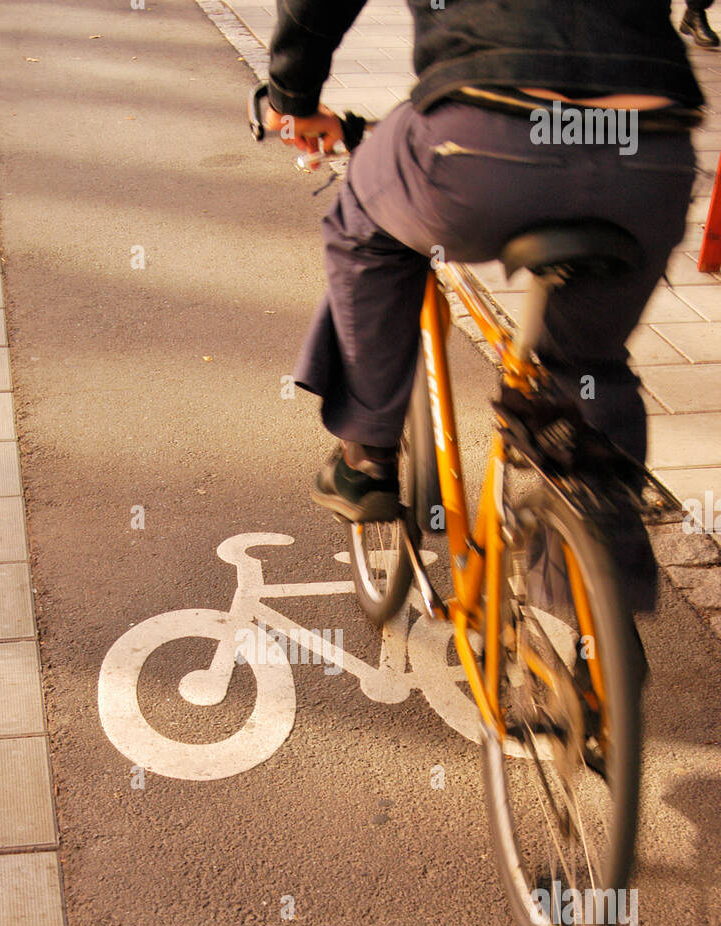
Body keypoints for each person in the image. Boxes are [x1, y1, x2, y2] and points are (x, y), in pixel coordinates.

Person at [264, 1, 703, 537]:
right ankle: (602, 561)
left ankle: (367, 455)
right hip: (651, 152)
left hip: (486, 137)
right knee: (589, 365)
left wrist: (293, 99)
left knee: (363, 220)